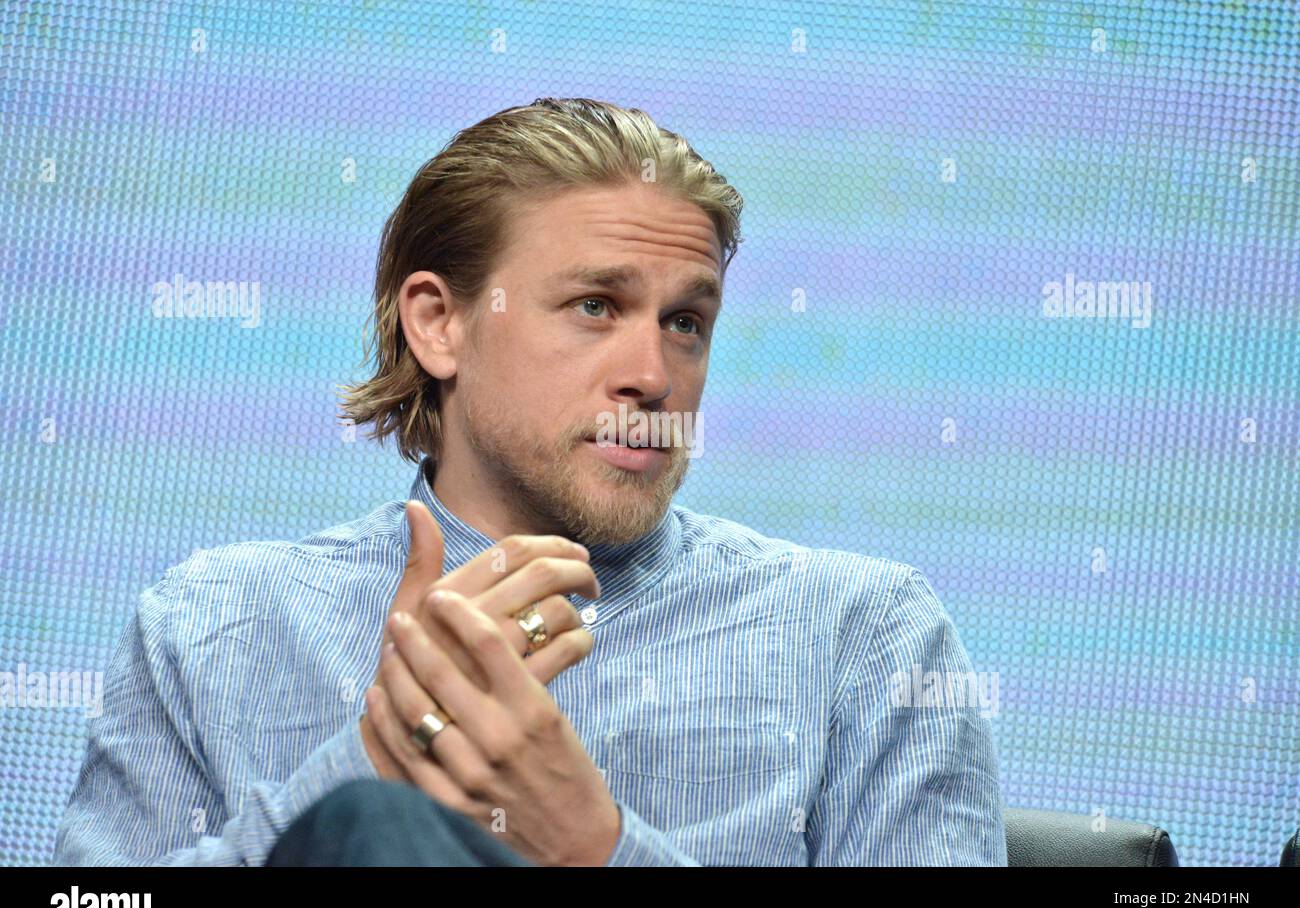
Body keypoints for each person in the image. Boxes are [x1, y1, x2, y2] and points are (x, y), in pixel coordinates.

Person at [53, 97, 1007, 866]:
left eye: (686, 321)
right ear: (439, 324)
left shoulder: (863, 636)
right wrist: (374, 764)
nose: (655, 373)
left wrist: (596, 850)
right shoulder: (212, 624)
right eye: (597, 305)